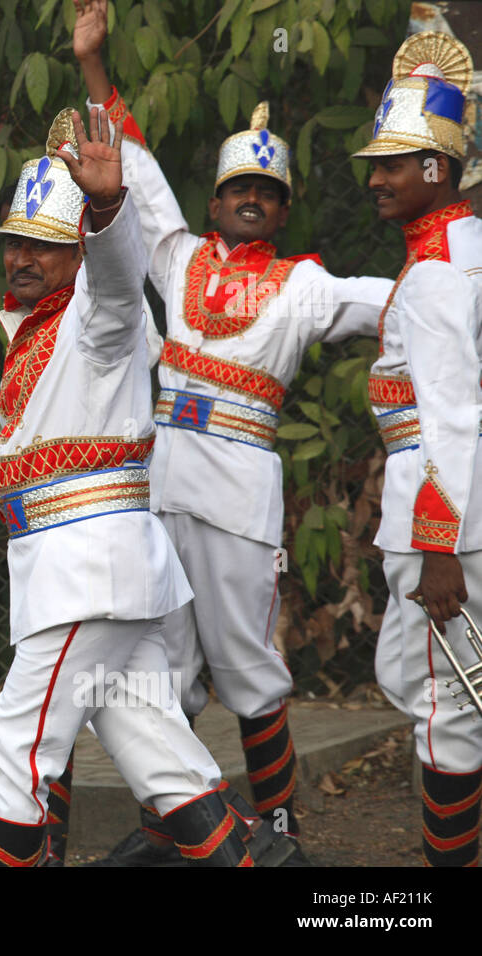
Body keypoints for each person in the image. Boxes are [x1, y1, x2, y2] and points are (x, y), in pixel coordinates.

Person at [70, 0, 392, 865]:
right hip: (161, 482)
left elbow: (402, 300)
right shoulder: (174, 257)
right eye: (238, 188)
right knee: (160, 668)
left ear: (282, 211)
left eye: (267, 192)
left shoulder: (305, 287)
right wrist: (94, 68)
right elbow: (129, 170)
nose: (251, 199)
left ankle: (280, 834)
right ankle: (167, 830)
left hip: (237, 495)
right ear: (215, 200)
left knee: (246, 667)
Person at [0, 104, 295, 867]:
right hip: (107, 580)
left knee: (14, 749)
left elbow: (118, 281)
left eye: (45, 245)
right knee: (160, 754)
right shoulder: (36, 330)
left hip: (90, 582)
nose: (23, 258)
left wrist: (109, 209)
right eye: (15, 242)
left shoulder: (97, 316)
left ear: (76, 253)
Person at [355, 31, 482, 867]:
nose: (374, 180)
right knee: (427, 686)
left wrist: (439, 551)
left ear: (436, 169)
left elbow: (451, 418)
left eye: (391, 165)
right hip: (450, 512)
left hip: (443, 523)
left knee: (447, 709)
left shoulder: (438, 271)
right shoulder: (463, 249)